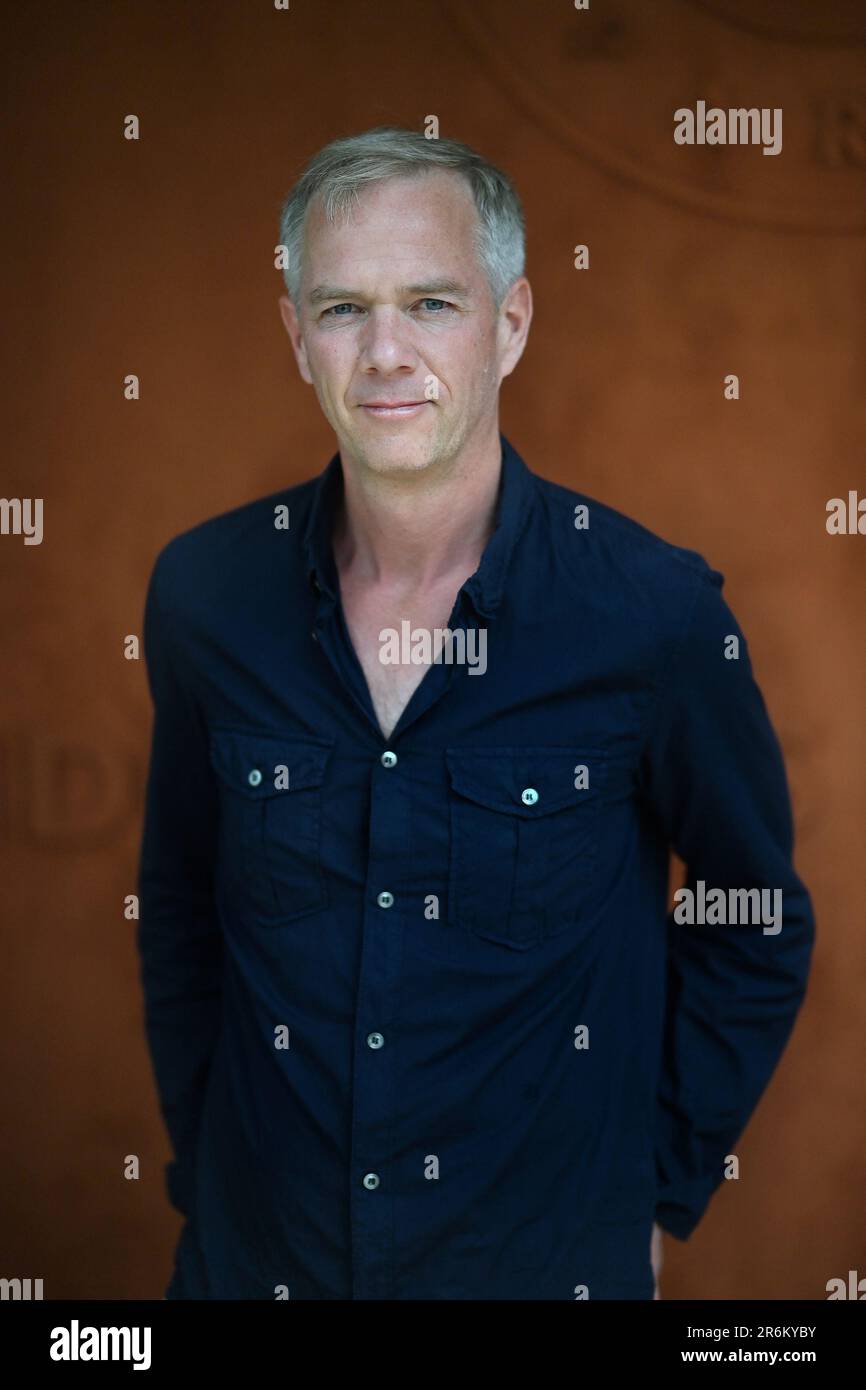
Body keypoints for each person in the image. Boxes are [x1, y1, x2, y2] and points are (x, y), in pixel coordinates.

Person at [136, 126, 815, 1300]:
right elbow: (181, 911)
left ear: (510, 323)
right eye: (342, 310)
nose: (384, 353)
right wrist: (216, 1171)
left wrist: (647, 1190)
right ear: (296, 337)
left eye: (431, 303)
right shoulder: (205, 596)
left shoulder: (651, 614)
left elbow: (754, 919)